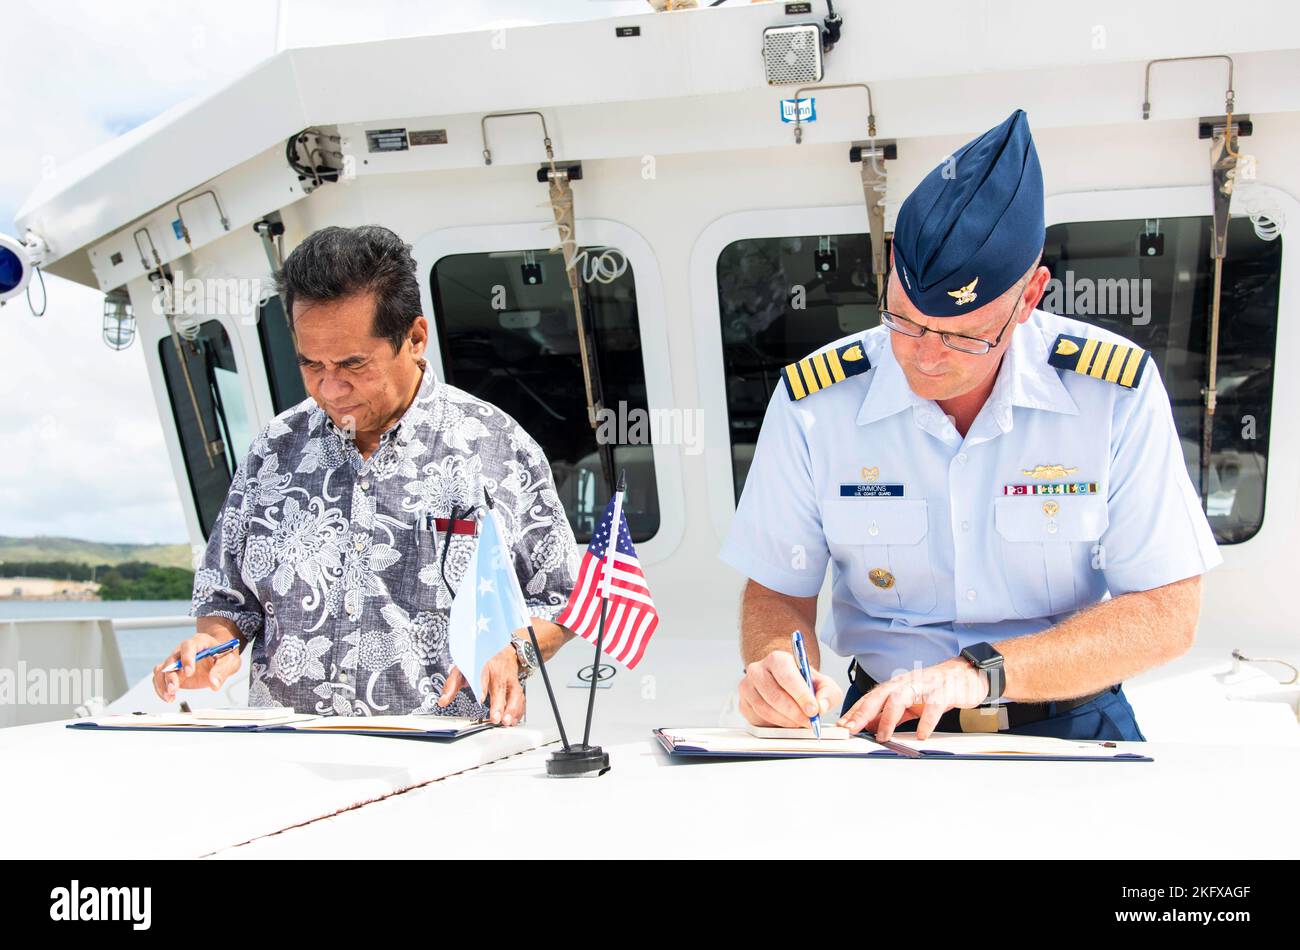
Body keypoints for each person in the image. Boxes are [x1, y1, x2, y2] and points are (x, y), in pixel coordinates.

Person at [722, 110, 1221, 742]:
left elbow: (1165, 613)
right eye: (904, 321)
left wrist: (977, 674)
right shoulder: (814, 401)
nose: (926, 356)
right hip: (882, 720)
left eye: (964, 337)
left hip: (1067, 716)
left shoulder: (1113, 392)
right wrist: (776, 666)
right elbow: (776, 589)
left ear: (1031, 296)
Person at [154, 225, 578, 723]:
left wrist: (514, 653)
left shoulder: (496, 446)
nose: (331, 388)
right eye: (311, 364)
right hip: (289, 765)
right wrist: (213, 647)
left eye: (353, 364)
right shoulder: (271, 450)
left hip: (446, 767)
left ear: (415, 338)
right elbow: (228, 600)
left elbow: (562, 599)